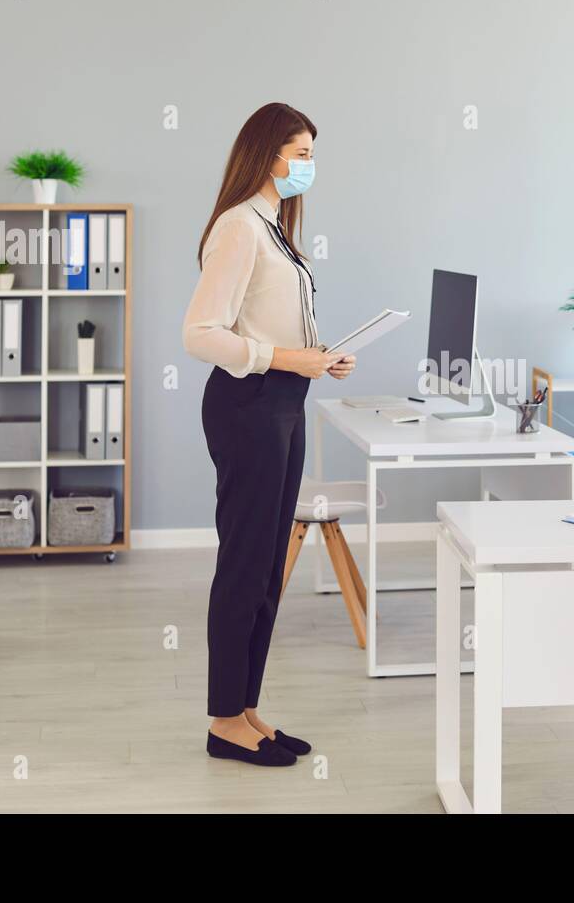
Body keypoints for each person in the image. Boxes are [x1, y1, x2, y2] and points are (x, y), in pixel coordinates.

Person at [182, 103, 355, 767]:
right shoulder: (237, 228)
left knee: (266, 571)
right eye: (301, 152)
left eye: (313, 153)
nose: (309, 165)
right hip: (247, 405)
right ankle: (223, 721)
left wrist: (319, 355)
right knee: (244, 566)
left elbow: (272, 325)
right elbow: (201, 335)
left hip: (283, 400)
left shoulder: (273, 228)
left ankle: (245, 707)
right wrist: (288, 359)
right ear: (267, 154)